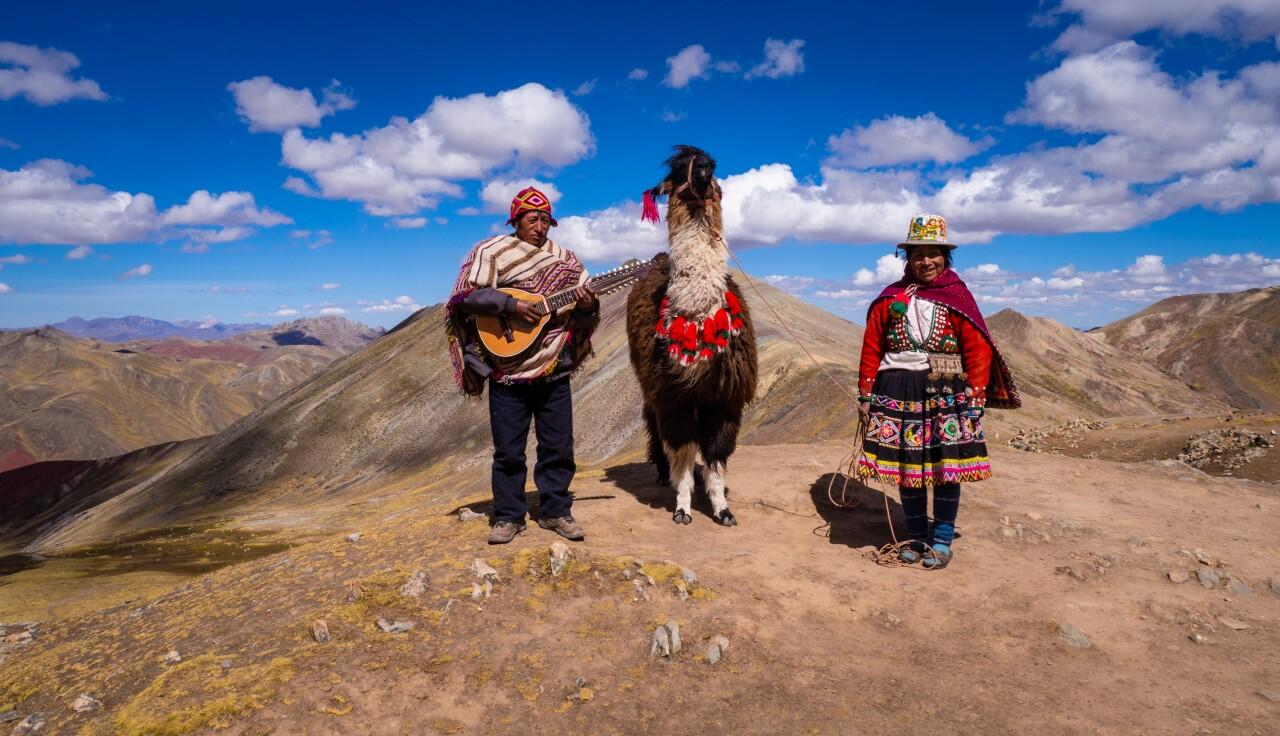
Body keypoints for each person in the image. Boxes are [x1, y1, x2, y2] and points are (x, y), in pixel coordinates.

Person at [856, 214, 1020, 568]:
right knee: (908, 469)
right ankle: (914, 538)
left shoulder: (956, 297)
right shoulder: (890, 298)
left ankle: (942, 540)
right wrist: (866, 394)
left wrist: (975, 398)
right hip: (896, 388)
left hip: (946, 390)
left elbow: (978, 349)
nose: (926, 261)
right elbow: (871, 347)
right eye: (918, 255)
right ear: (907, 259)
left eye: (933, 254)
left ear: (946, 257)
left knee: (947, 468)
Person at [445, 187, 599, 544]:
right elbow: (466, 299)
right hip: (507, 369)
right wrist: (512, 307)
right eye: (533, 218)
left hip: (553, 364)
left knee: (558, 446)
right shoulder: (492, 251)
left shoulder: (566, 261)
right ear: (516, 220)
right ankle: (509, 516)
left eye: (546, 219)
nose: (540, 226)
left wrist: (588, 305)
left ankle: (556, 511)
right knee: (509, 450)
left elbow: (585, 316)